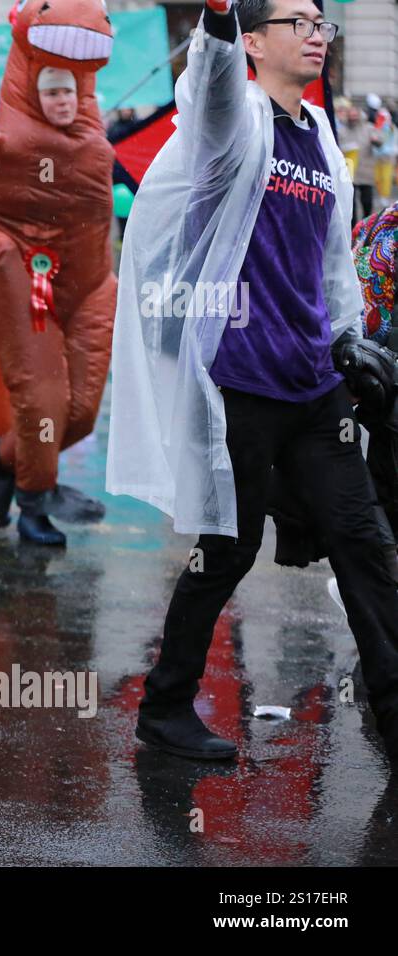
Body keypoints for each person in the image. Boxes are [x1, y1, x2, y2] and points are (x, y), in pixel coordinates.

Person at [108, 0, 398, 762]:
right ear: (257, 39)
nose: (315, 35)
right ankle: (166, 709)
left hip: (314, 385)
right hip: (239, 383)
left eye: (321, 24)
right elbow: (206, 84)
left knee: (363, 542)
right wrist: (213, 18)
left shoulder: (321, 136)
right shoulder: (231, 124)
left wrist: (349, 338)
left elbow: (333, 259)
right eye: (298, 22)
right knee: (226, 552)